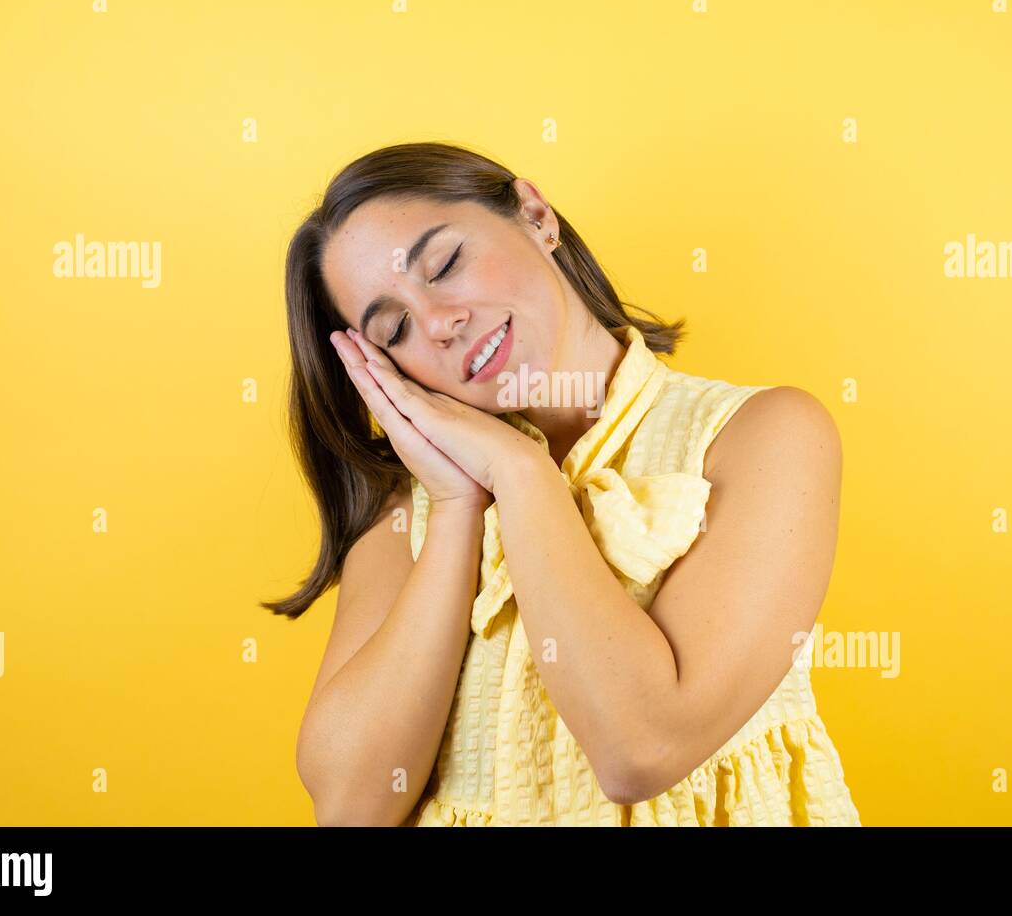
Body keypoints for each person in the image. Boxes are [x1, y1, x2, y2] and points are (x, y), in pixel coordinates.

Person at [270, 141, 861, 826]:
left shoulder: (762, 435)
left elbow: (641, 748)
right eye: (395, 327)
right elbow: (351, 809)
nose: (438, 323)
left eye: (445, 264)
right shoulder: (410, 511)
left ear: (535, 216)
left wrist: (522, 476)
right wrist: (462, 504)